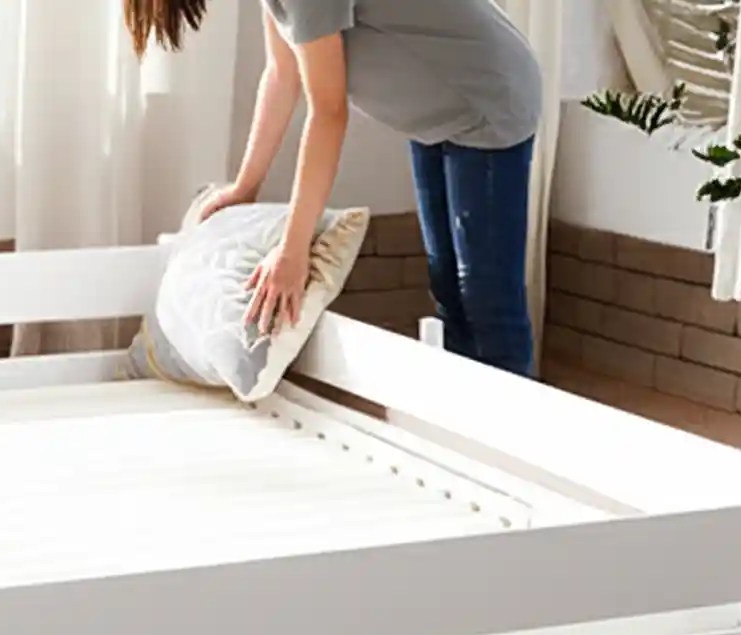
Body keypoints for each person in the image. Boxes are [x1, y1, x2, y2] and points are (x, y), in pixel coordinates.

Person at [125, 0, 543, 377]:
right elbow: (281, 74)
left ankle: (514, 448)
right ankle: (468, 431)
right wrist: (244, 186)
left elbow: (328, 112)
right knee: (449, 289)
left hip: (487, 98)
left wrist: (293, 249)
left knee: (486, 300)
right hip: (437, 108)